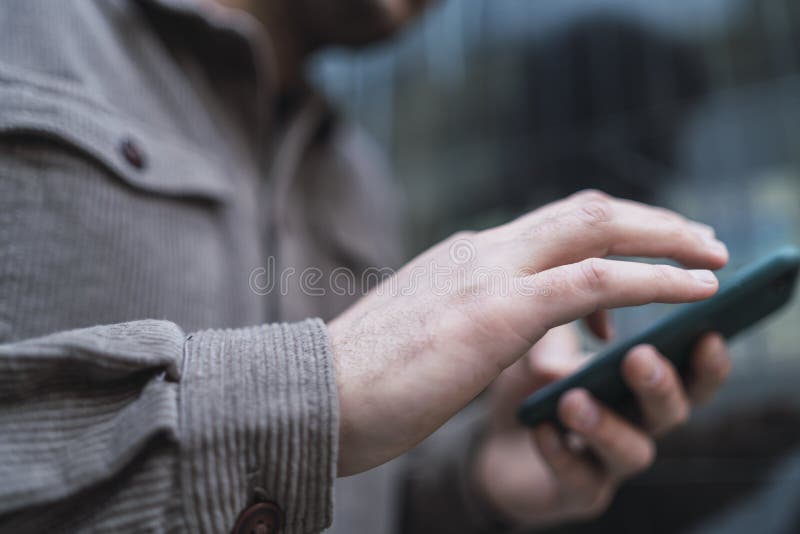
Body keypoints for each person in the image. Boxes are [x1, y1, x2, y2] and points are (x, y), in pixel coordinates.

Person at [0, 1, 732, 533]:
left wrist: (476, 480)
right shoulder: (26, 30)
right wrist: (320, 392)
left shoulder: (363, 179)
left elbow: (345, 497)